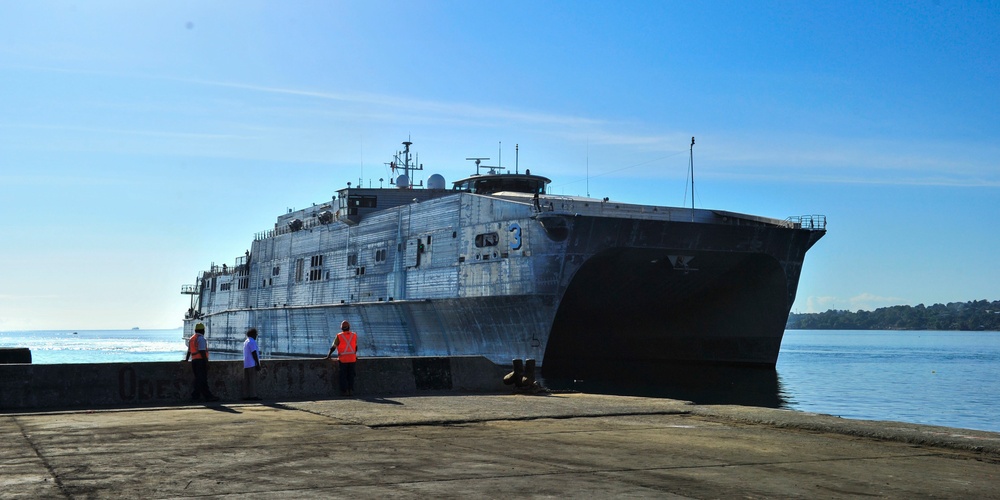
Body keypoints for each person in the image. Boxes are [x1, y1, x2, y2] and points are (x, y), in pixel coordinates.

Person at [184, 323, 219, 402]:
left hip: (194, 361)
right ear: (203, 330)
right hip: (200, 361)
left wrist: (186, 359)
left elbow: (189, 351)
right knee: (202, 379)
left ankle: (197, 395)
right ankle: (206, 396)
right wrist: (206, 362)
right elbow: (202, 351)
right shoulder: (201, 339)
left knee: (198, 379)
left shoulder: (192, 338)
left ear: (195, 330)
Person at [326, 320, 358, 397]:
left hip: (343, 359)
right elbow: (355, 347)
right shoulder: (354, 335)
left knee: (343, 376)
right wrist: (354, 355)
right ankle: (351, 390)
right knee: (351, 375)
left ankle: (345, 391)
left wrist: (329, 355)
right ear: (349, 327)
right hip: (352, 359)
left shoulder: (339, 336)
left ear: (342, 328)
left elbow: (333, 347)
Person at [242, 328, 262, 401]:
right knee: (252, 380)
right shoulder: (252, 342)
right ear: (253, 334)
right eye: (256, 334)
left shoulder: (246, 341)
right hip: (252, 364)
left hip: (246, 363)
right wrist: (257, 363)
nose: (256, 336)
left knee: (246, 380)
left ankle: (245, 396)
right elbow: (254, 353)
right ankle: (253, 396)